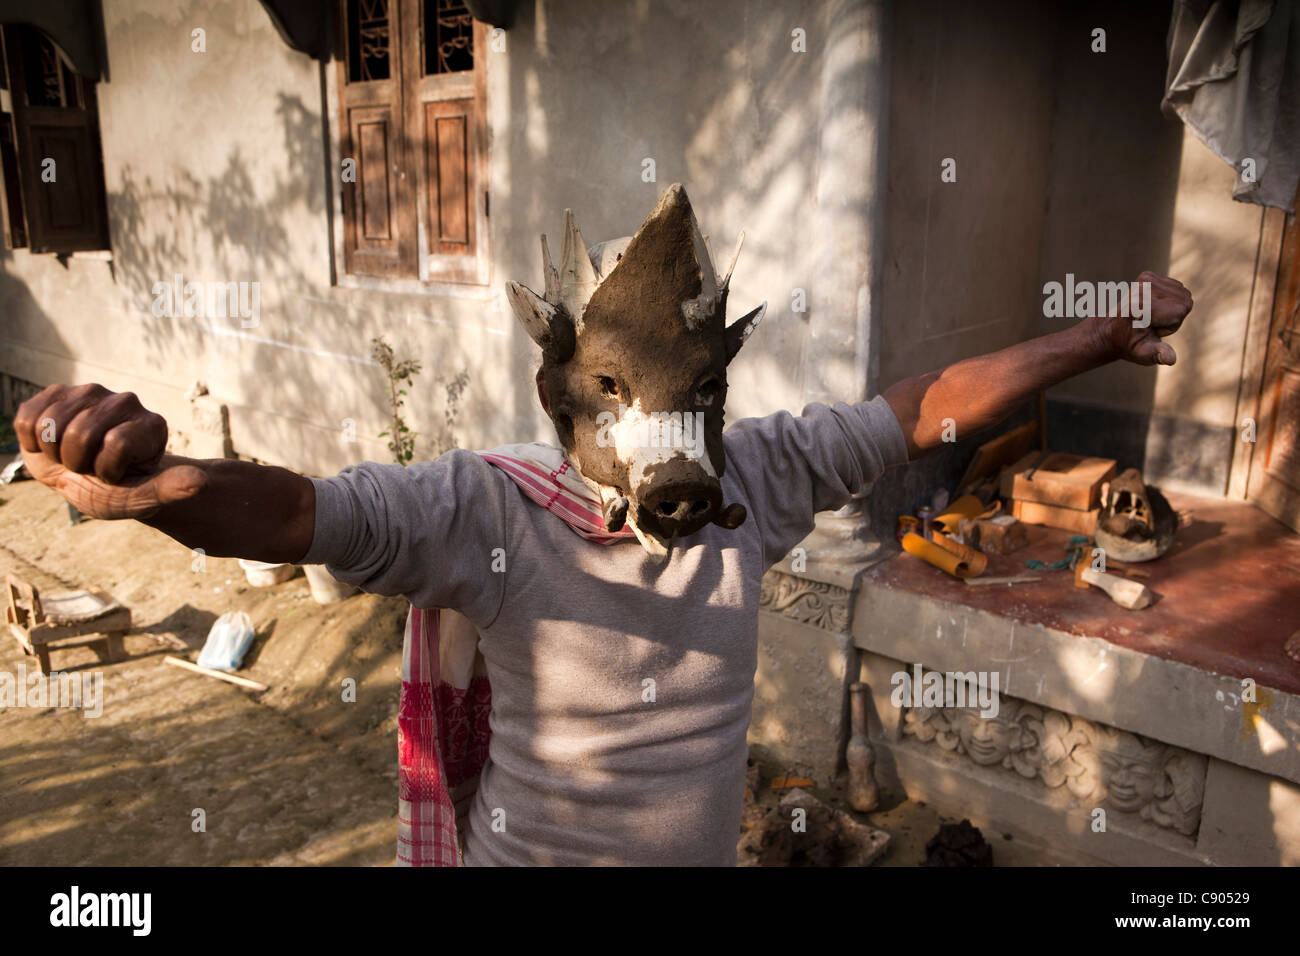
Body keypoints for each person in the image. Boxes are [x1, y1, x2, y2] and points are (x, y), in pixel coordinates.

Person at [15, 204, 1192, 865]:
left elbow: (923, 403)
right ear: (559, 402)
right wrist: (168, 485)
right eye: (619, 398)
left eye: (691, 398)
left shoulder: (763, 473)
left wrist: (1095, 339)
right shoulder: (487, 508)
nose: (665, 439)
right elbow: (300, 510)